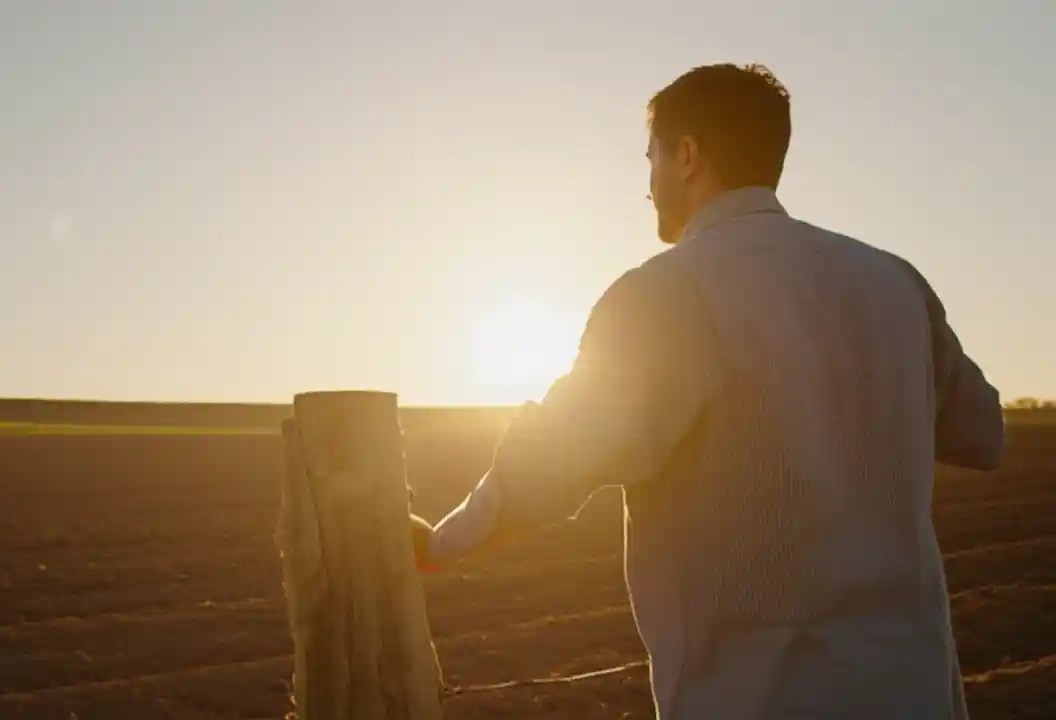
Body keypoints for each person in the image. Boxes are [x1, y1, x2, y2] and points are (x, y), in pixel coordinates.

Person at [410, 63, 1004, 719]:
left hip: (758, 700)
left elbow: (554, 458)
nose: (648, 185)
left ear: (688, 155)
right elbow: (983, 434)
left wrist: (438, 544)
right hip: (914, 693)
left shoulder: (665, 292)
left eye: (652, 158)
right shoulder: (895, 284)